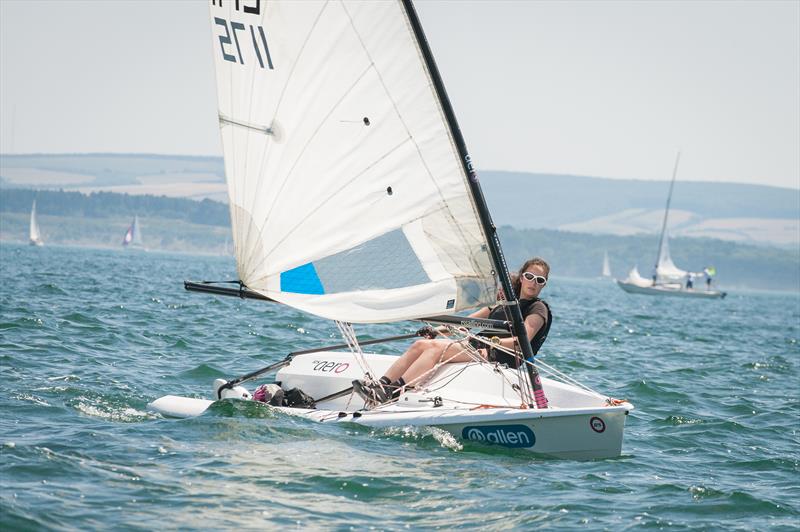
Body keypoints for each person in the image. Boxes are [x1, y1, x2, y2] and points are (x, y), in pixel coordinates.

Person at [353, 258, 552, 404]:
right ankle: (381, 385)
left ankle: (394, 392)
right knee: (421, 344)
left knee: (434, 350)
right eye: (530, 276)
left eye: (540, 280)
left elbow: (522, 342)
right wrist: (435, 331)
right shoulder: (505, 302)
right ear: (523, 276)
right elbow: (467, 323)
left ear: (544, 284)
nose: (533, 283)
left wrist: (492, 342)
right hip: (480, 346)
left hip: (498, 355)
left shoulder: (537, 308)